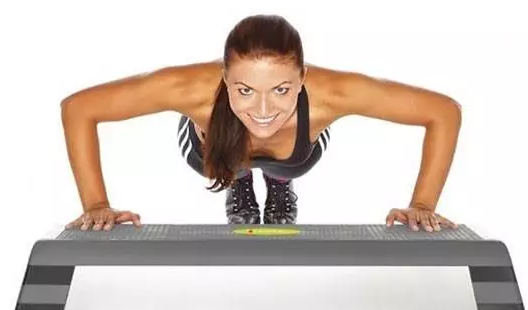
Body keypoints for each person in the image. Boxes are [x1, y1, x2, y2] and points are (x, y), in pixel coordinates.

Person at [62, 14, 461, 232]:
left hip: (296, 152)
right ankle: (237, 180)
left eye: (283, 90)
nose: (265, 109)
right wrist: (97, 205)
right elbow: (79, 108)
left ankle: (278, 181)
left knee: (289, 160)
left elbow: (442, 112)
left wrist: (422, 204)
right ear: (224, 78)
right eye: (246, 90)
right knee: (222, 159)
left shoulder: (334, 92)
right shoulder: (188, 88)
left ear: (303, 78)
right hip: (214, 146)